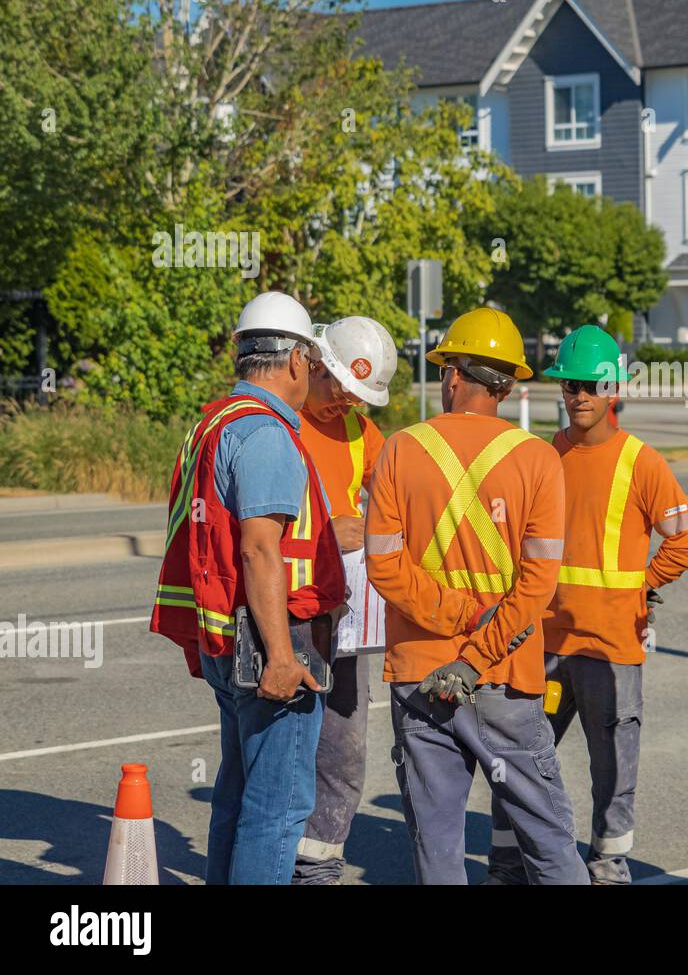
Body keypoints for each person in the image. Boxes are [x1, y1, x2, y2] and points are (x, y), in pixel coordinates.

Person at [364, 306, 589, 884]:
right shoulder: (539, 459)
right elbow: (537, 586)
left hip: (420, 672)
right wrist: (478, 645)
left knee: (437, 843)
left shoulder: (400, 449)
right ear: (508, 383)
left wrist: (452, 618)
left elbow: (384, 567)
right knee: (548, 838)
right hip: (505, 675)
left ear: (455, 375)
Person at [486, 325, 688, 884]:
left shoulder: (642, 462)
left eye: (589, 385)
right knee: (518, 763)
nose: (578, 395)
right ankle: (510, 864)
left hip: (611, 649)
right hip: (546, 644)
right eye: (569, 385)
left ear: (613, 389)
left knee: (613, 772)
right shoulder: (544, 454)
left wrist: (645, 586)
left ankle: (607, 867)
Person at [150, 291, 347, 885]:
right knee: (278, 809)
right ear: (294, 362)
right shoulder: (266, 434)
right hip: (268, 644)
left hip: (227, 640)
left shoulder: (213, 423)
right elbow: (260, 548)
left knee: (237, 797)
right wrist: (284, 658)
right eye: (312, 364)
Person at [292, 316, 397, 885]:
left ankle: (319, 862)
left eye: (358, 397)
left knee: (344, 746)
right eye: (338, 388)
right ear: (316, 361)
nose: (345, 402)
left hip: (345, 617)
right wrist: (328, 531)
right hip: (286, 613)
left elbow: (391, 499)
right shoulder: (280, 419)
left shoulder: (360, 432)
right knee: (287, 747)